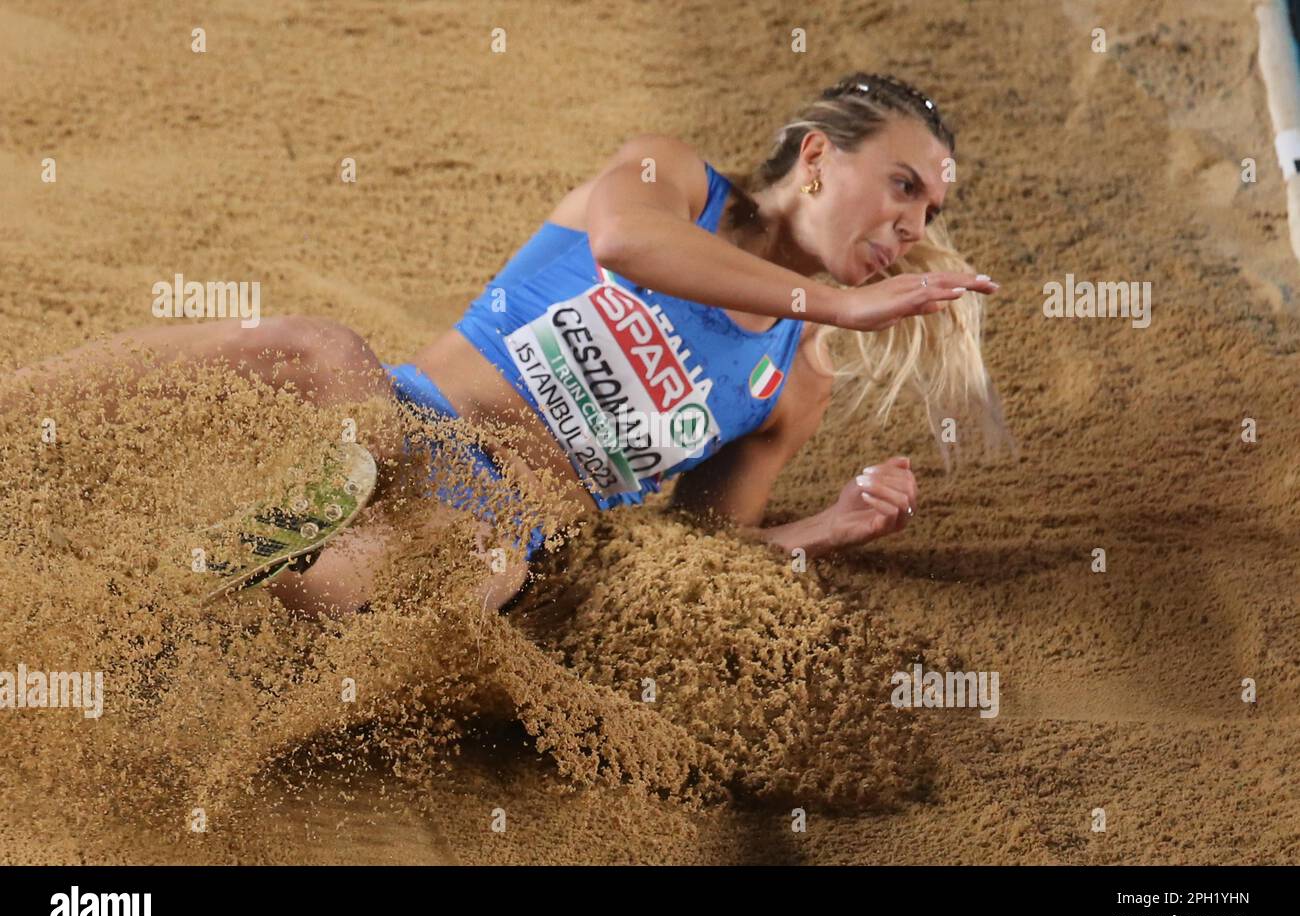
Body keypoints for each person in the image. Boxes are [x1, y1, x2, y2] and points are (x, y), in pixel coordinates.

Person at [3, 71, 1010, 619]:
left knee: (471, 568)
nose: (914, 222)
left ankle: (181, 608)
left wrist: (825, 528)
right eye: (904, 184)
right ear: (819, 157)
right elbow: (624, 244)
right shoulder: (674, 180)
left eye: (932, 207)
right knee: (319, 349)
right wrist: (828, 304)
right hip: (401, 412)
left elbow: (688, 558)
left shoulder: (791, 377)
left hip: (488, 521)